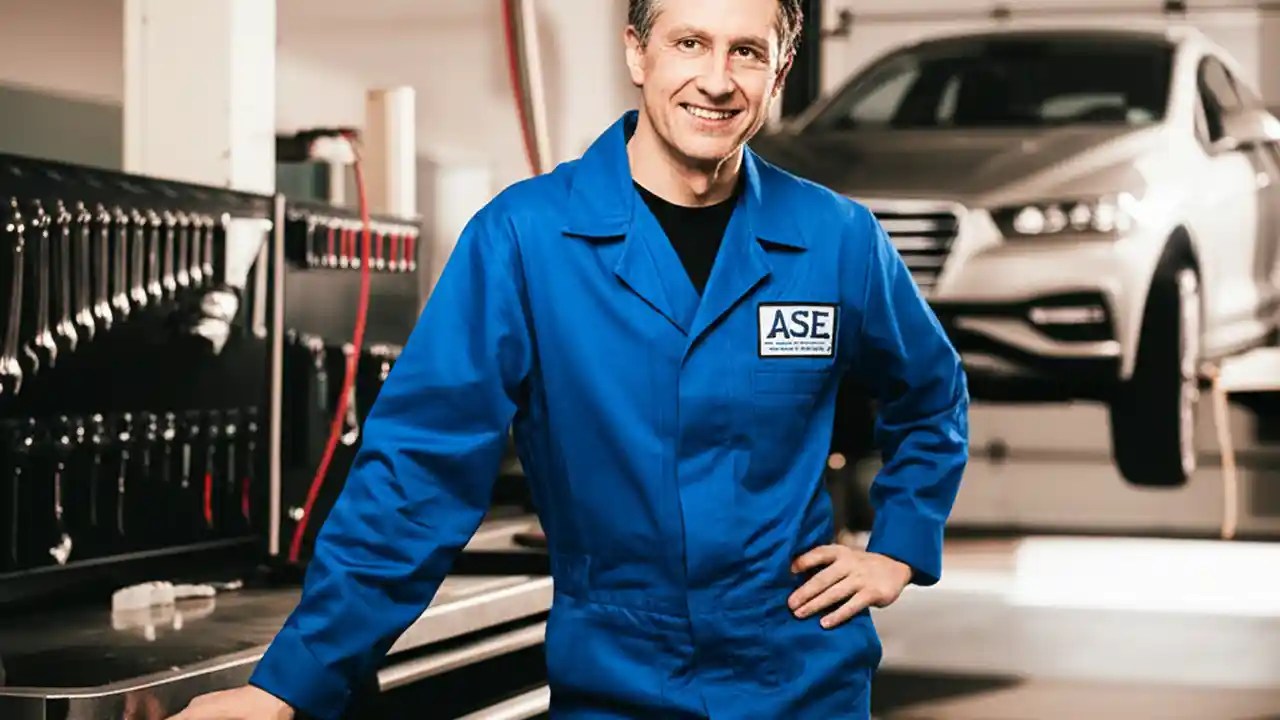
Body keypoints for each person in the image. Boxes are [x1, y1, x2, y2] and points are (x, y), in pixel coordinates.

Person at [169, 0, 968, 717]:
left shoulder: (836, 239)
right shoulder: (524, 239)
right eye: (690, 42)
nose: (717, 80)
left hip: (803, 682)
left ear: (781, 68)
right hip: (618, 684)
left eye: (747, 52)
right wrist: (289, 684)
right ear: (637, 52)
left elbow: (931, 398)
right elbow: (419, 473)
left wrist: (901, 542)